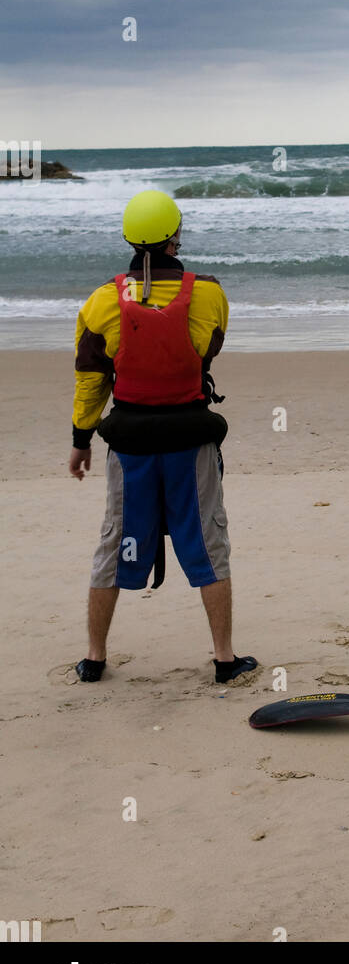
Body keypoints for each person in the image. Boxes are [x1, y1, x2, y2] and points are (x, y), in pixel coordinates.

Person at [68, 189, 257, 685]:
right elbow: (208, 351)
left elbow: (91, 379)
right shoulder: (210, 294)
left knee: (115, 542)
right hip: (189, 441)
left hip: (129, 446)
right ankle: (223, 658)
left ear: (129, 239)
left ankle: (94, 658)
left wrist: (81, 439)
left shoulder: (102, 301)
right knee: (207, 539)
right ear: (176, 235)